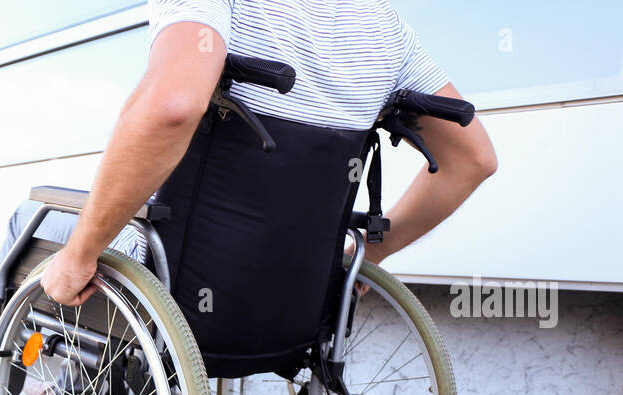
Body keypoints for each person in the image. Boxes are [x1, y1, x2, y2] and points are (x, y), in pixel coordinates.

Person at [35, 0, 498, 308]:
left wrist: (78, 256)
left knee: (32, 220)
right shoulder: (385, 29)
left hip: (174, 279)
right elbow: (473, 159)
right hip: (292, 297)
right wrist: (365, 255)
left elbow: (172, 106)